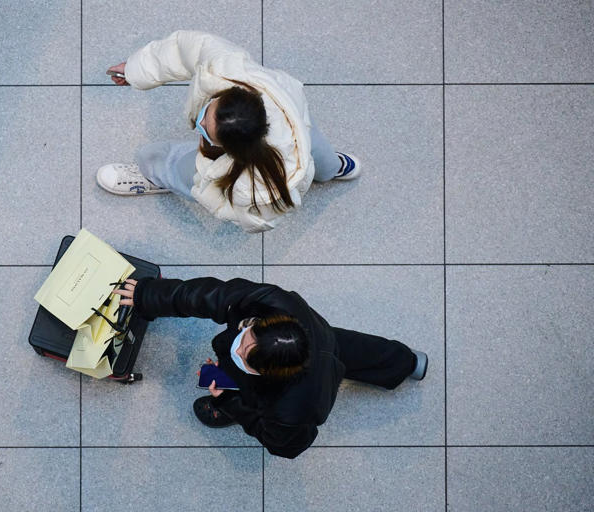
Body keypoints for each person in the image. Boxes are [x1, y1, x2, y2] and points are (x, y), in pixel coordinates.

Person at [113, 276, 428, 459]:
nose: (236, 345)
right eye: (248, 332)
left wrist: (228, 399)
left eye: (246, 356)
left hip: (313, 362)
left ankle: (227, 406)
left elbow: (284, 444)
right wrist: (150, 295)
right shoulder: (272, 302)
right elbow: (211, 295)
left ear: (271, 375)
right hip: (323, 339)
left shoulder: (295, 407)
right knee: (360, 350)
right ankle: (406, 362)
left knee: (243, 391)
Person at [97, 30, 360, 233]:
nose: (199, 121)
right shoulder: (231, 71)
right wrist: (138, 69)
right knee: (312, 143)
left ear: (235, 152)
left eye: (205, 128)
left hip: (260, 160)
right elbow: (189, 48)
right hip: (295, 122)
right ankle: (333, 167)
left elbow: (252, 218)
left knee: (186, 170)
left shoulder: (258, 186)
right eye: (208, 110)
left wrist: (204, 187)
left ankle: (155, 174)